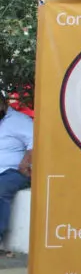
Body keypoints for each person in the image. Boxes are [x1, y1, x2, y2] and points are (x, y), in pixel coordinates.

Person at [0, 91, 33, 247]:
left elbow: (36, 143)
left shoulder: (19, 121)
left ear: (3, 103)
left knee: (1, 189)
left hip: (13, 171)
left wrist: (26, 163)